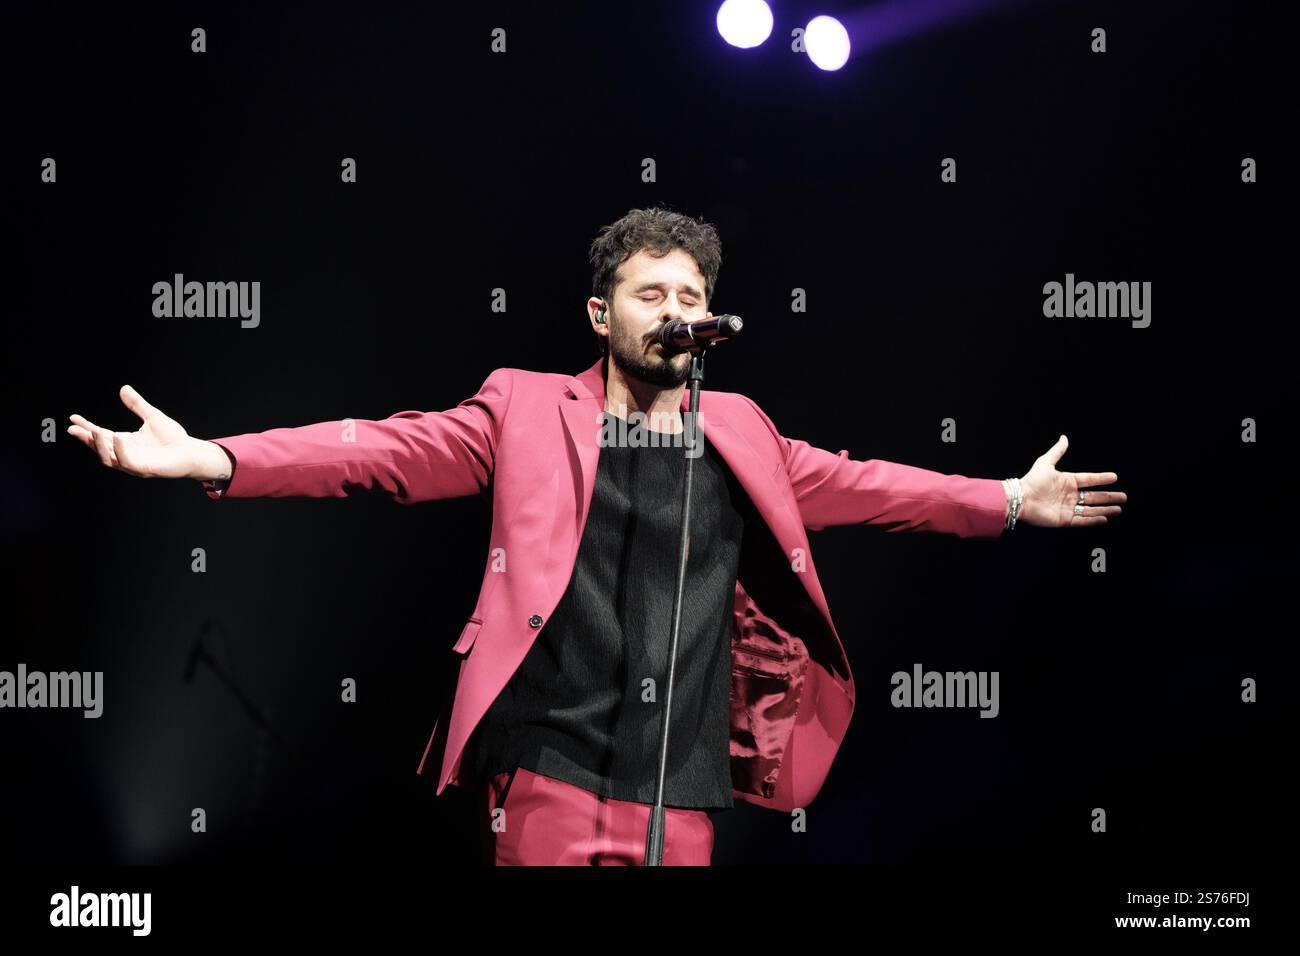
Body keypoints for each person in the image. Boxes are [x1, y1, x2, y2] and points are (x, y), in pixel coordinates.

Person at [67, 205, 1126, 866]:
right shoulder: (524, 407)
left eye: (693, 294)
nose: (677, 307)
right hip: (551, 774)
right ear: (598, 315)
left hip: (686, 791)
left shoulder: (741, 429)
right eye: (651, 291)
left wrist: (999, 497)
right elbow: (376, 451)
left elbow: (867, 484)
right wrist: (214, 456)